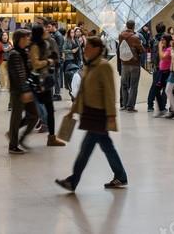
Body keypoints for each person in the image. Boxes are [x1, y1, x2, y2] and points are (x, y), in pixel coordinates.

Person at [55, 36, 128, 192]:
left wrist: (111, 116)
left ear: (97, 49)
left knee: (85, 149)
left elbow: (110, 93)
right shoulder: (89, 66)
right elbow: (81, 92)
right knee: (107, 147)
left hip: (99, 115)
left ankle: (73, 181)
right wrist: (73, 111)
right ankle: (121, 176)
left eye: (88, 46)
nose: (85, 49)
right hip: (89, 113)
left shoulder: (103, 66)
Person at [30, 23, 65, 146]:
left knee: (49, 110)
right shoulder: (35, 47)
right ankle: (15, 135)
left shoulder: (46, 43)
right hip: (38, 82)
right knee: (33, 111)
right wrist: (48, 61)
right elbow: (35, 64)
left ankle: (51, 137)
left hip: (45, 80)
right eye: (44, 30)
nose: (46, 31)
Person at [7, 29, 39, 154]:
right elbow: (19, 75)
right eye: (27, 38)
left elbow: (28, 70)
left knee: (34, 115)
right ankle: (13, 145)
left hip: (26, 89)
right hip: (18, 92)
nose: (29, 40)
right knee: (16, 117)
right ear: (21, 39)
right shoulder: (14, 54)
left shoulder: (23, 52)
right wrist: (25, 90)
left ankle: (19, 137)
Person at [117, 20, 144, 112]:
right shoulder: (135, 37)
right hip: (134, 64)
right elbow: (142, 50)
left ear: (126, 26)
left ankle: (124, 105)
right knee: (133, 85)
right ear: (134, 26)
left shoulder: (120, 36)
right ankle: (130, 106)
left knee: (124, 85)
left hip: (124, 63)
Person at [151, 32, 171, 116]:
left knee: (168, 91)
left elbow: (163, 57)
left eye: (163, 40)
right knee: (156, 90)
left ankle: (171, 109)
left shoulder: (169, 49)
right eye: (161, 40)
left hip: (167, 72)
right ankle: (162, 109)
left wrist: (159, 47)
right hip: (161, 72)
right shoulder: (164, 48)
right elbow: (161, 58)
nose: (161, 41)